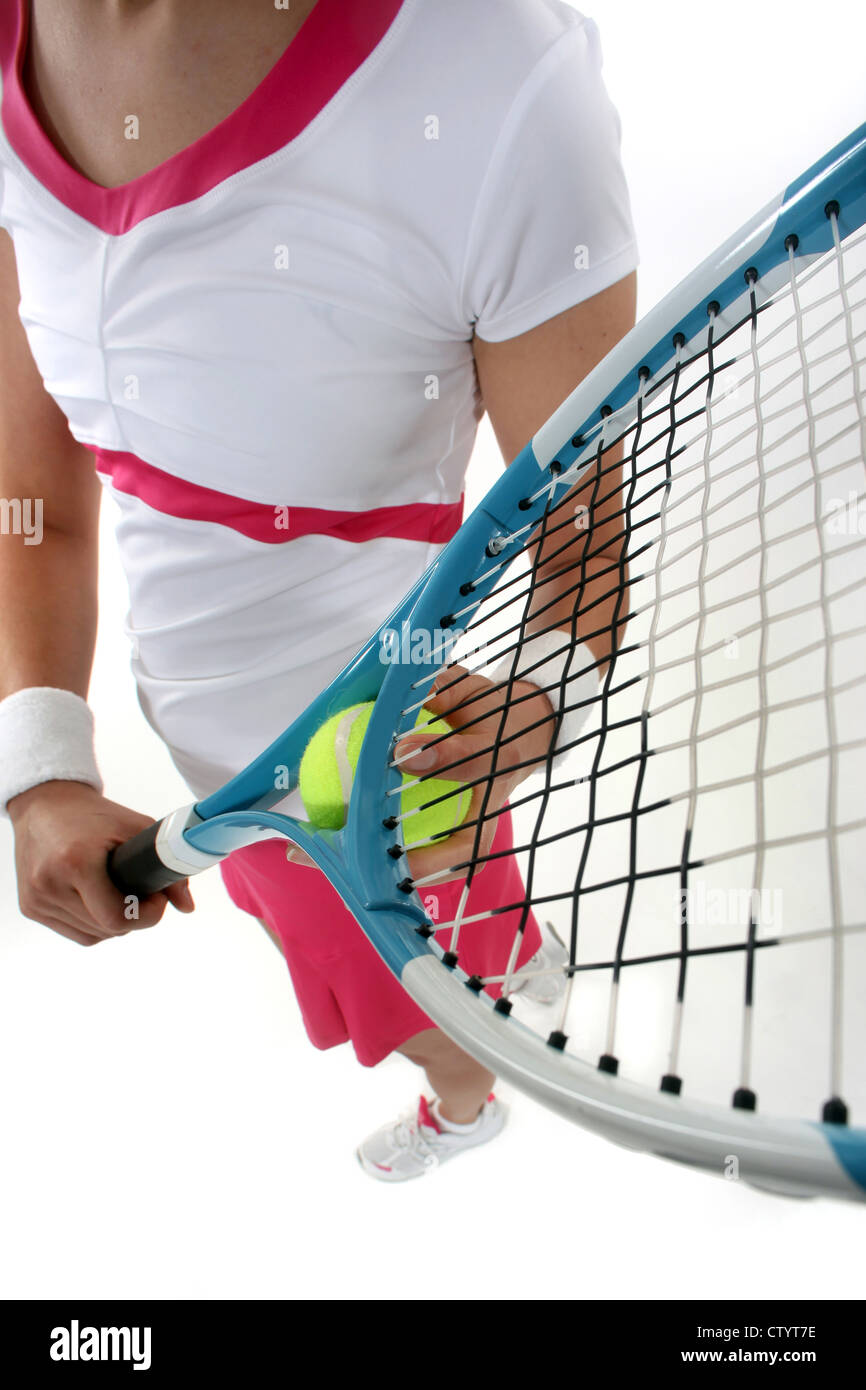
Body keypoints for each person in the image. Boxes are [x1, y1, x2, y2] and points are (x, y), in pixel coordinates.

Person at [0, 0, 637, 1180]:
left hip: (390, 750)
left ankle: (466, 1098)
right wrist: (40, 770)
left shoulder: (495, 69)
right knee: (461, 898)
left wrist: (544, 694)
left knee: (411, 1004)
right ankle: (513, 949)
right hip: (228, 770)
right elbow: (29, 485)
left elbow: (585, 532)